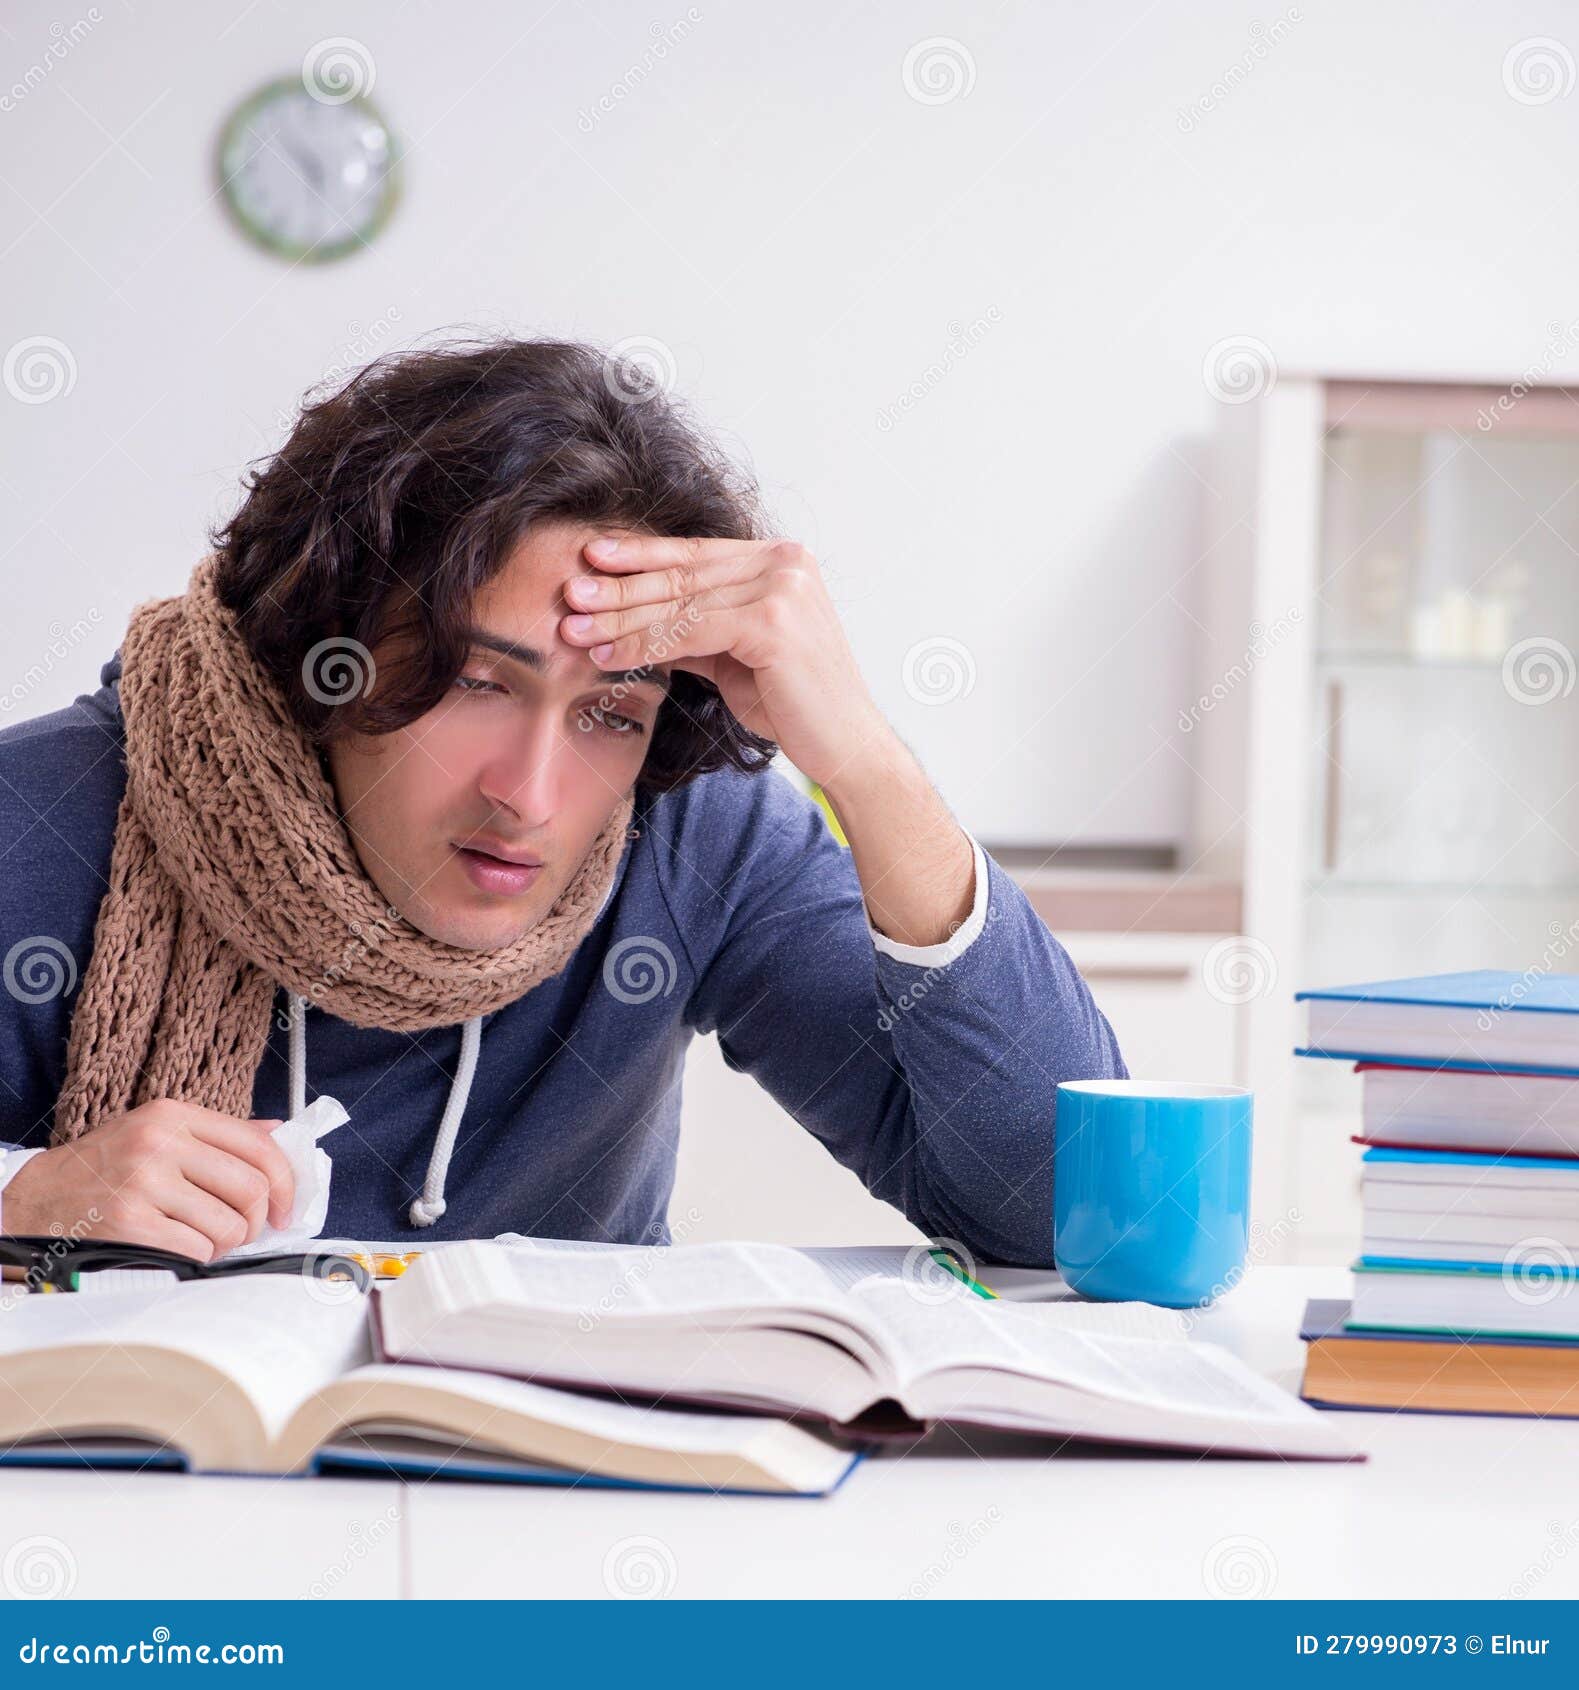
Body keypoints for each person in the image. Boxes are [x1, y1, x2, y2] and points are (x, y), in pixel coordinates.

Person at [0, 337, 1124, 1264]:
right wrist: (21, 1196)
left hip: (570, 1470)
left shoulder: (693, 839)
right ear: (320, 660)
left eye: (610, 712)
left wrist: (866, 764)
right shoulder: (50, 816)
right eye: (475, 684)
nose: (530, 797)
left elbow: (1068, 1214)